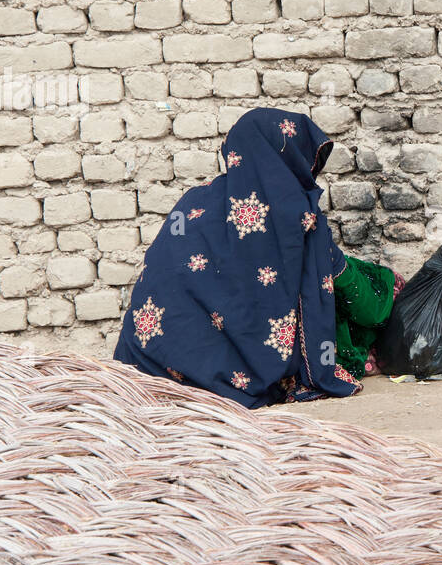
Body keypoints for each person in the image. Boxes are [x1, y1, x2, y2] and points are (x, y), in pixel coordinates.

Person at [112, 106, 398, 407]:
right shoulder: (300, 217)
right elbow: (361, 300)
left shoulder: (194, 201)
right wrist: (389, 290)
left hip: (144, 363)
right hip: (244, 371)